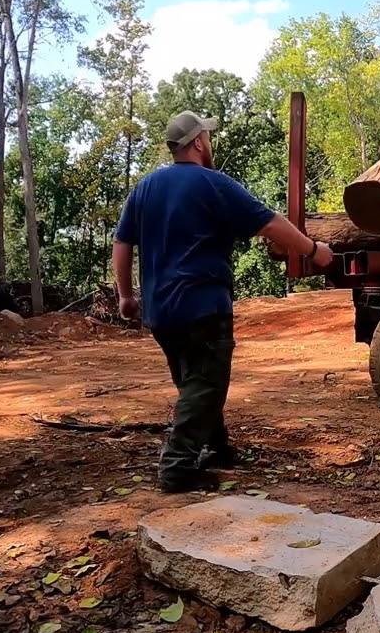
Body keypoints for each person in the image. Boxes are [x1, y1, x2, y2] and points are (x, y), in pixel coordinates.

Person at [112, 111, 334, 493]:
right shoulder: (213, 183)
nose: (210, 143)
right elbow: (269, 223)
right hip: (202, 305)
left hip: (161, 311)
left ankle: (217, 446)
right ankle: (178, 467)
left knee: (192, 380)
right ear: (198, 142)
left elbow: (122, 241)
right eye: (207, 137)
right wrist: (313, 250)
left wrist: (126, 296)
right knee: (207, 384)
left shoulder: (146, 187)